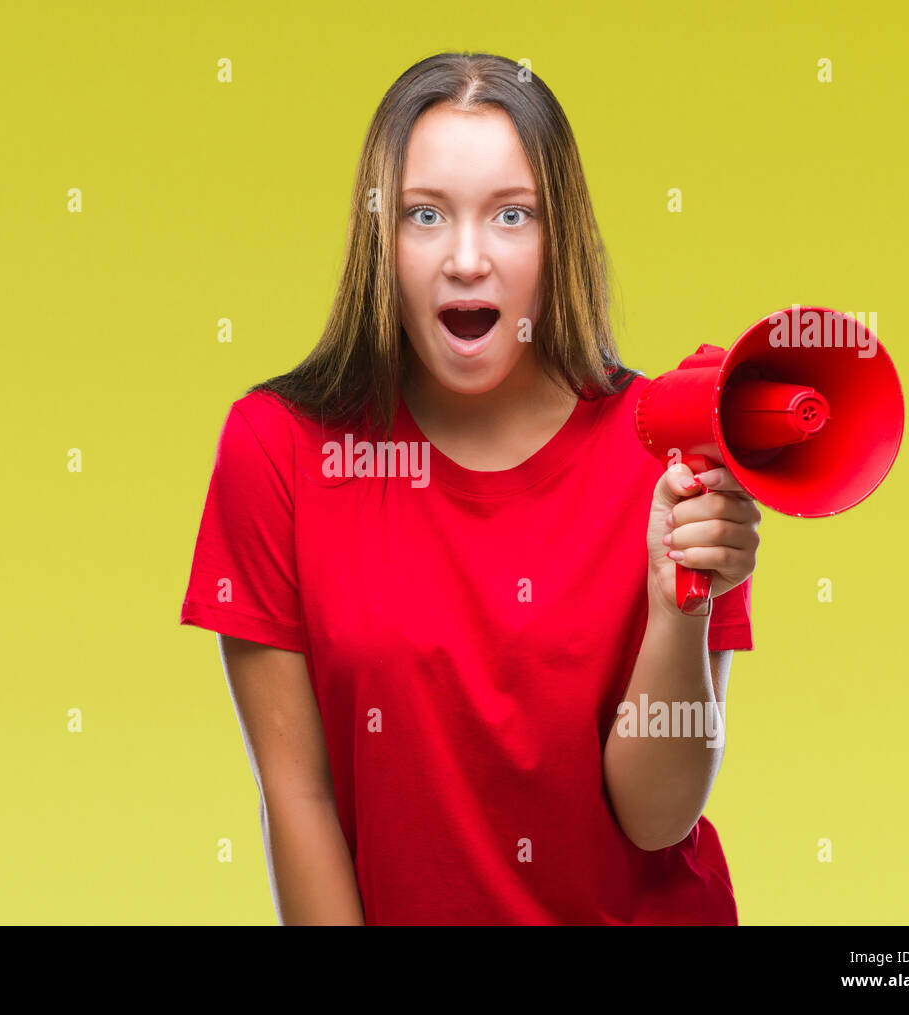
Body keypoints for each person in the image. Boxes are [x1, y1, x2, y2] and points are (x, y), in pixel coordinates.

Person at [179, 51, 760, 925]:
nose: (465, 259)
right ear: (381, 233)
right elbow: (298, 799)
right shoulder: (279, 451)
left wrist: (680, 606)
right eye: (425, 215)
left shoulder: (669, 452)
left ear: (558, 235)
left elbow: (656, 817)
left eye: (512, 215)